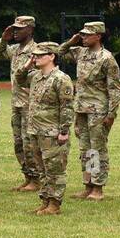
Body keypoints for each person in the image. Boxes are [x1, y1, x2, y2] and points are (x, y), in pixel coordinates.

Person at [57, 21, 120, 201]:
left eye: (87, 34)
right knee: (85, 149)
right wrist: (71, 42)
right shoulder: (80, 53)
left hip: (98, 110)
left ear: (98, 36)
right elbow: (59, 53)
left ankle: (98, 188)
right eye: (82, 34)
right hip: (81, 109)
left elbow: (115, 89)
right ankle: (88, 185)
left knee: (97, 149)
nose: (83, 37)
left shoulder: (106, 58)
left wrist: (111, 114)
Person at [23, 42, 74, 215]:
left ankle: (55, 203)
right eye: (34, 55)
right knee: (42, 169)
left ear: (52, 56)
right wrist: (28, 63)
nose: (36, 57)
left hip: (52, 131)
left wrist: (64, 131)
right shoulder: (36, 77)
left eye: (40, 55)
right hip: (36, 130)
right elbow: (19, 78)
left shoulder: (61, 78)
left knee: (55, 169)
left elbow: (66, 107)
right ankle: (45, 200)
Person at [0, 16, 40, 191]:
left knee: (30, 143)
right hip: (17, 103)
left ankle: (36, 179)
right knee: (19, 143)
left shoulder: (37, 51)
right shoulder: (14, 50)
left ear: (30, 30)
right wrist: (3, 40)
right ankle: (28, 177)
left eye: (19, 29)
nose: (15, 32)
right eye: (14, 28)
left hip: (31, 104)